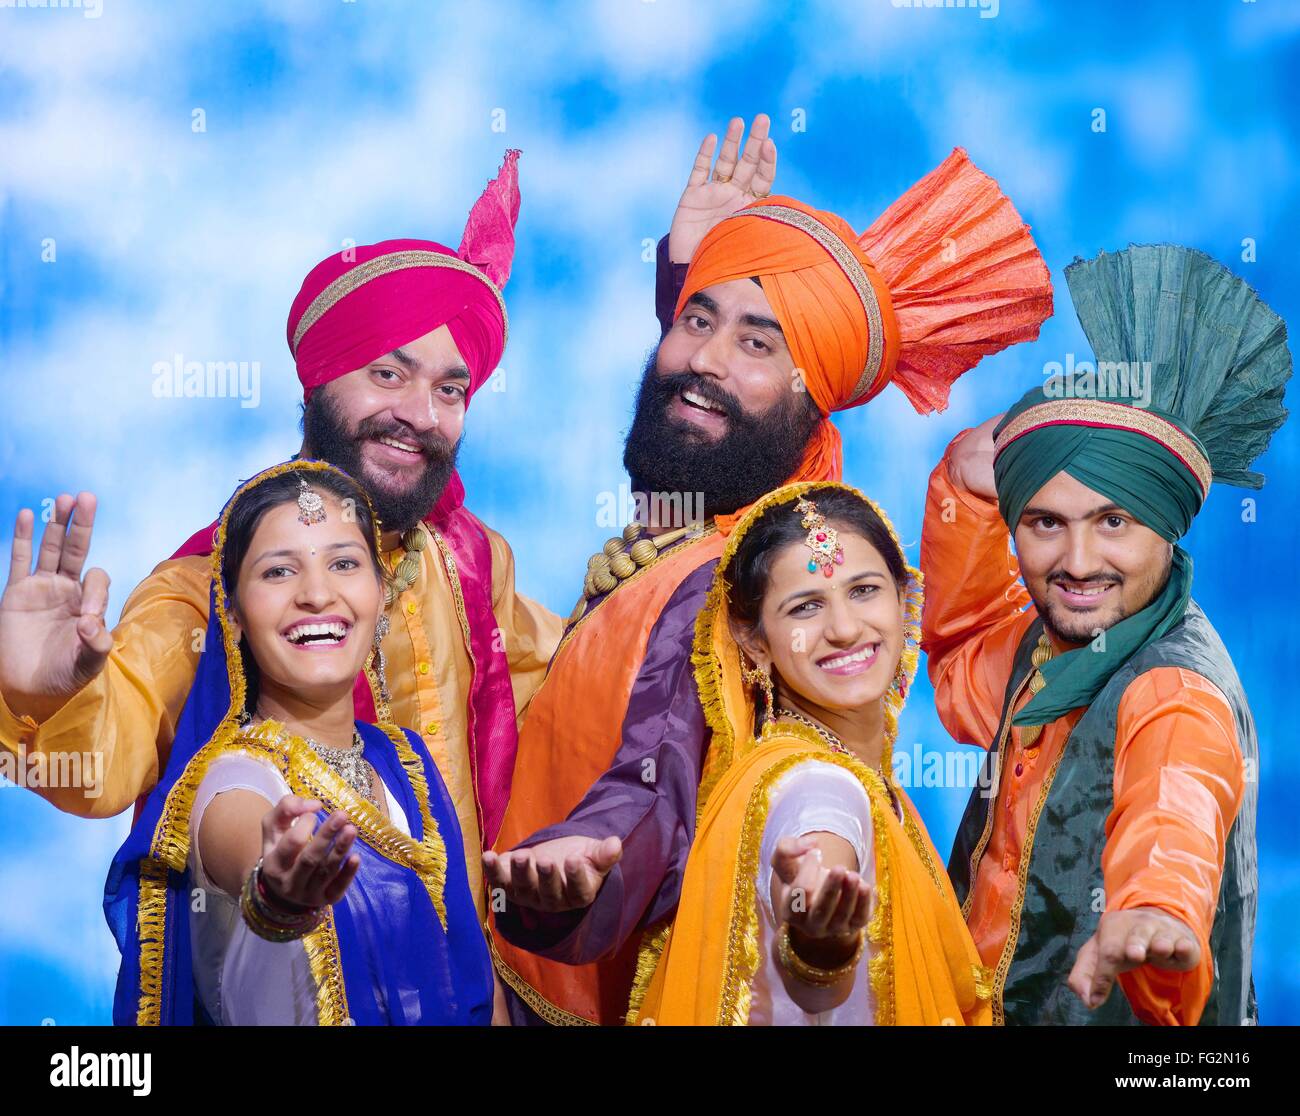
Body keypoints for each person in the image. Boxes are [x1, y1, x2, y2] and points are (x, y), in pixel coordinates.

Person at [487, 125, 1054, 1025]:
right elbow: (698, 451)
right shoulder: (731, 526)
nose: (704, 358)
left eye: (758, 343)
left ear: (807, 391)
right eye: (695, 324)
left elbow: (660, 777)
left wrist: (588, 855)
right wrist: (688, 274)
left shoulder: (729, 597)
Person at [0, 152, 560, 928]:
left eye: (449, 389)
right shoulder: (217, 582)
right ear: (319, 381)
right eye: (389, 376)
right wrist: (36, 695)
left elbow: (572, 696)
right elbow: (104, 765)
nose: (423, 416)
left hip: (472, 988)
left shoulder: (469, 560)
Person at [920, 244, 1289, 1025]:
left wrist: (1155, 912)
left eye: (1113, 522)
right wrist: (962, 491)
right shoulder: (1044, 651)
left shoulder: (1175, 688)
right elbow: (959, 665)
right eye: (1044, 523)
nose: (1078, 562)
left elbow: (1175, 803)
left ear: (1168, 527)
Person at [91, 461, 491, 1024]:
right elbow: (253, 844)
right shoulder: (233, 780)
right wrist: (276, 897)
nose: (316, 594)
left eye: (345, 564)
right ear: (231, 615)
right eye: (279, 572)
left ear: (380, 593)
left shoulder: (406, 764)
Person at [630, 482, 991, 1026]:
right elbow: (816, 866)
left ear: (904, 596)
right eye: (805, 607)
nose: (845, 629)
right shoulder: (819, 784)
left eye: (864, 590)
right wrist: (818, 937)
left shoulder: (837, 771)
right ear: (754, 641)